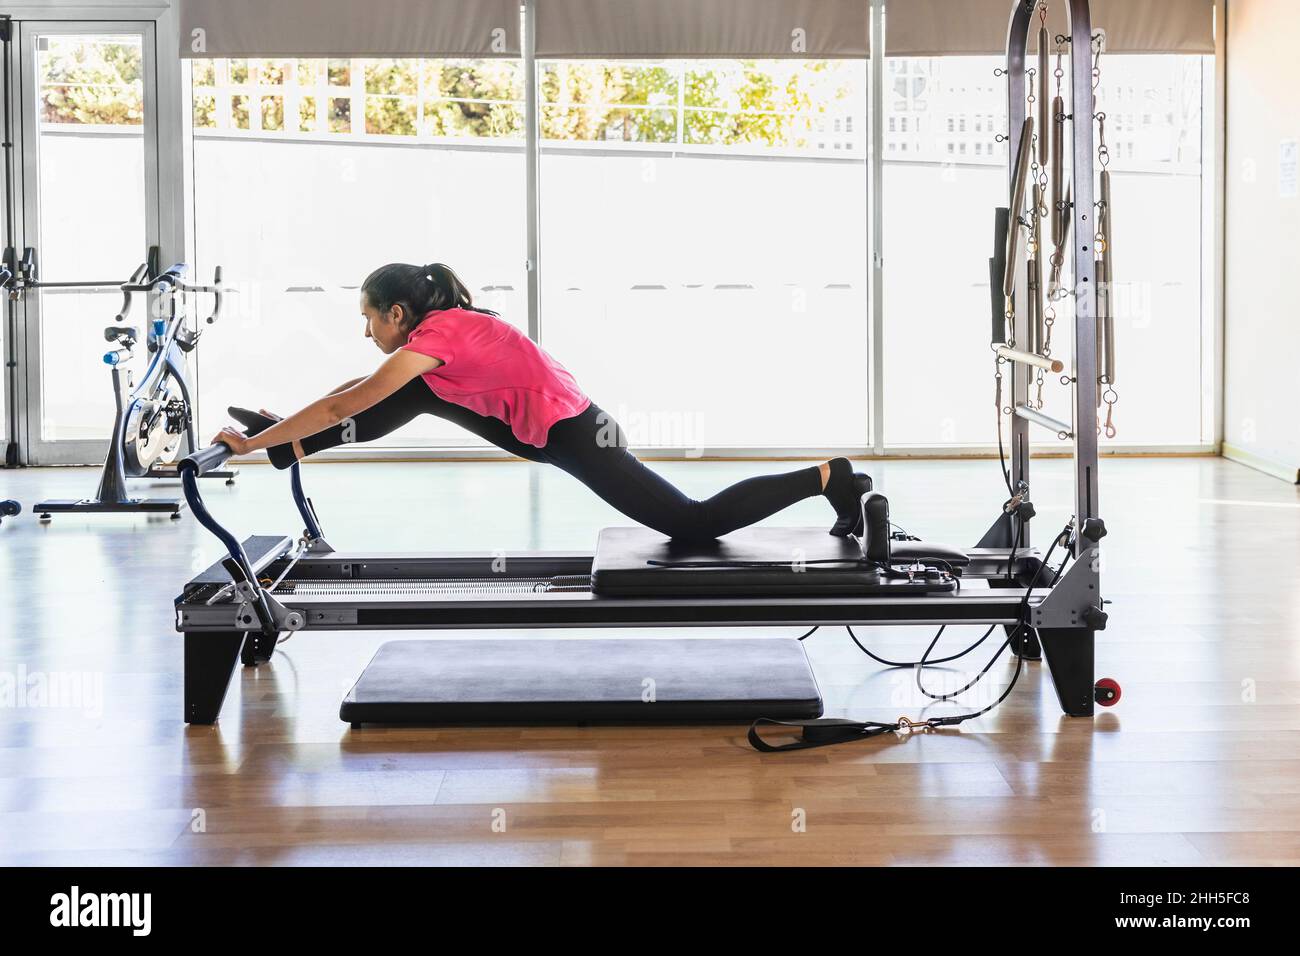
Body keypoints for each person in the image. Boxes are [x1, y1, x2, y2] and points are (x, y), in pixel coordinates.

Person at [213, 262, 871, 542]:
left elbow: (347, 405)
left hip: (577, 434)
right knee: (407, 393)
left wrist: (256, 444)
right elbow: (354, 395)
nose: (367, 332)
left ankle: (829, 477)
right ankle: (291, 445)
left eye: (368, 320)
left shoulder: (435, 338)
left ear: (397, 313)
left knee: (691, 525)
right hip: (541, 430)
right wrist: (280, 432)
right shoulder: (438, 333)